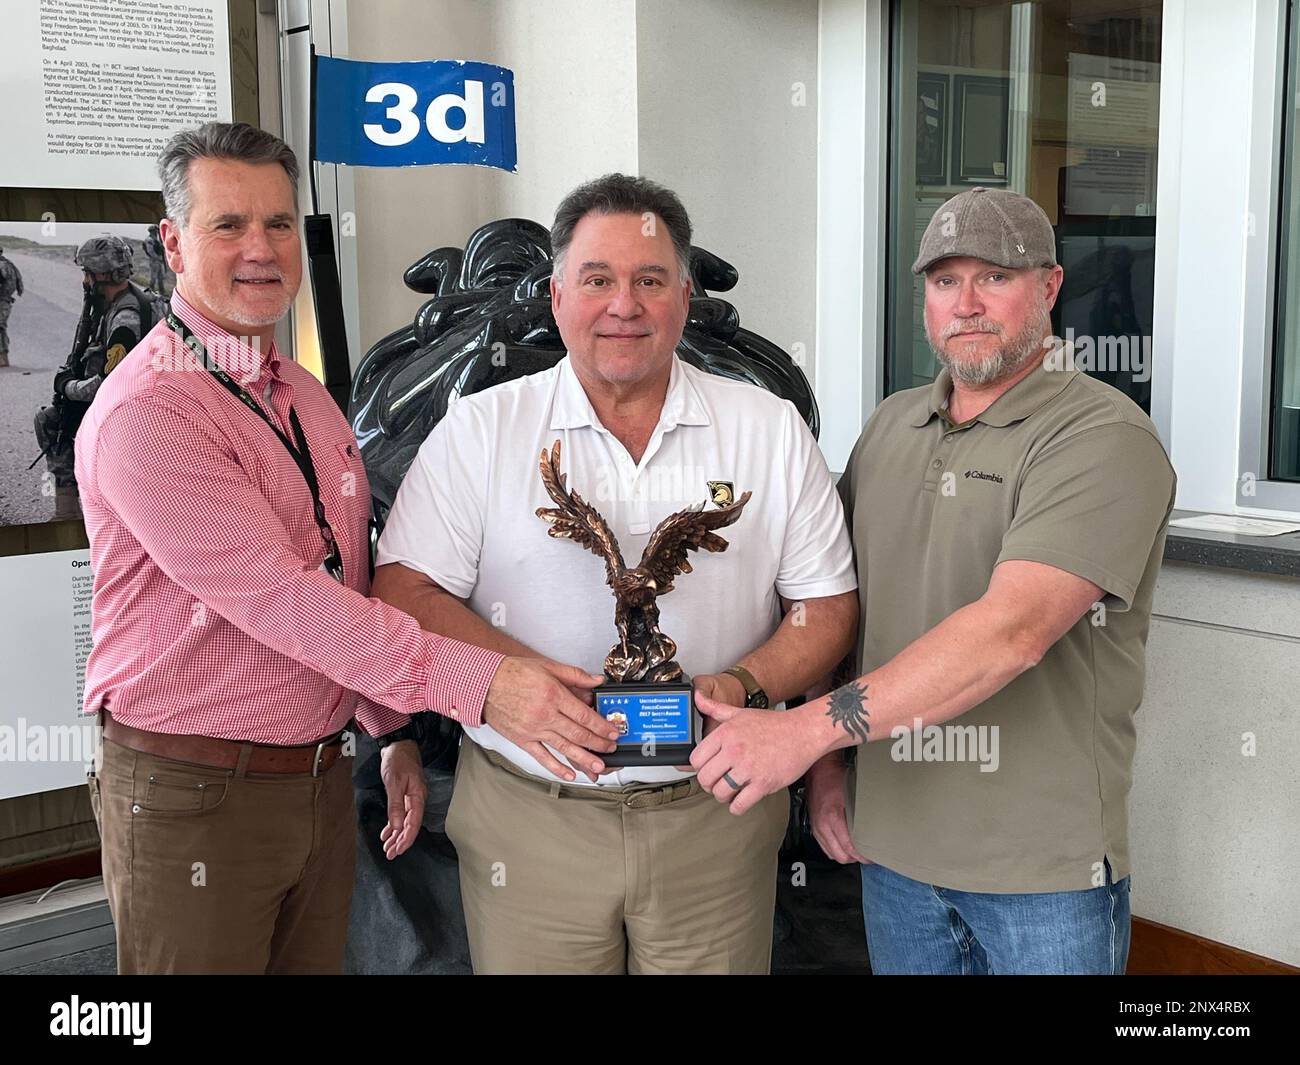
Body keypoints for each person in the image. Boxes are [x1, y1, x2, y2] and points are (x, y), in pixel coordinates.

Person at [75, 121, 597, 974]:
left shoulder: (307, 398)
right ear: (172, 242)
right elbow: (285, 599)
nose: (261, 248)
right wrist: (486, 685)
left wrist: (387, 727)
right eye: (229, 225)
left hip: (316, 781)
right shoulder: (151, 413)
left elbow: (345, 574)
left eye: (280, 224)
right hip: (196, 795)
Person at [372, 173, 859, 975]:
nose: (622, 304)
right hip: (532, 820)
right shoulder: (480, 430)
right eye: (597, 279)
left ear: (686, 295)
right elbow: (403, 592)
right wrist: (512, 680)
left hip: (717, 816)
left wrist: (745, 684)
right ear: (558, 295)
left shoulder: (767, 431)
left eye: (649, 279)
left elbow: (826, 606)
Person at [689, 187, 1176, 975]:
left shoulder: (1100, 435)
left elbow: (1009, 634)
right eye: (946, 281)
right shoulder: (890, 426)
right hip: (896, 859)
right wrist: (827, 770)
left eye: (996, 277)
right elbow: (832, 609)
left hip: (1042, 875)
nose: (968, 303)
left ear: (1049, 288)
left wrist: (807, 732)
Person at [34, 236, 143, 518]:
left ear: (103, 274)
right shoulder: (124, 301)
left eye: (87, 273)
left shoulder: (125, 319)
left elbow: (110, 386)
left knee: (51, 421)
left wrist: (68, 387)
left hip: (126, 411)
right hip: (132, 404)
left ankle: (68, 514)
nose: (84, 280)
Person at [0, 245, 23, 368]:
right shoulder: (9, 264)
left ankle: (3, 359)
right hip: (6, 301)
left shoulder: (2, 265)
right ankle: (3, 358)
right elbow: (19, 282)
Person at [144, 223, 171, 294]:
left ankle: (162, 292)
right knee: (153, 277)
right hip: (154, 261)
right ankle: (150, 291)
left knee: (161, 277)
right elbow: (151, 251)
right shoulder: (149, 240)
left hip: (159, 261)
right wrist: (158, 258)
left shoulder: (156, 240)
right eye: (155, 231)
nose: (156, 232)